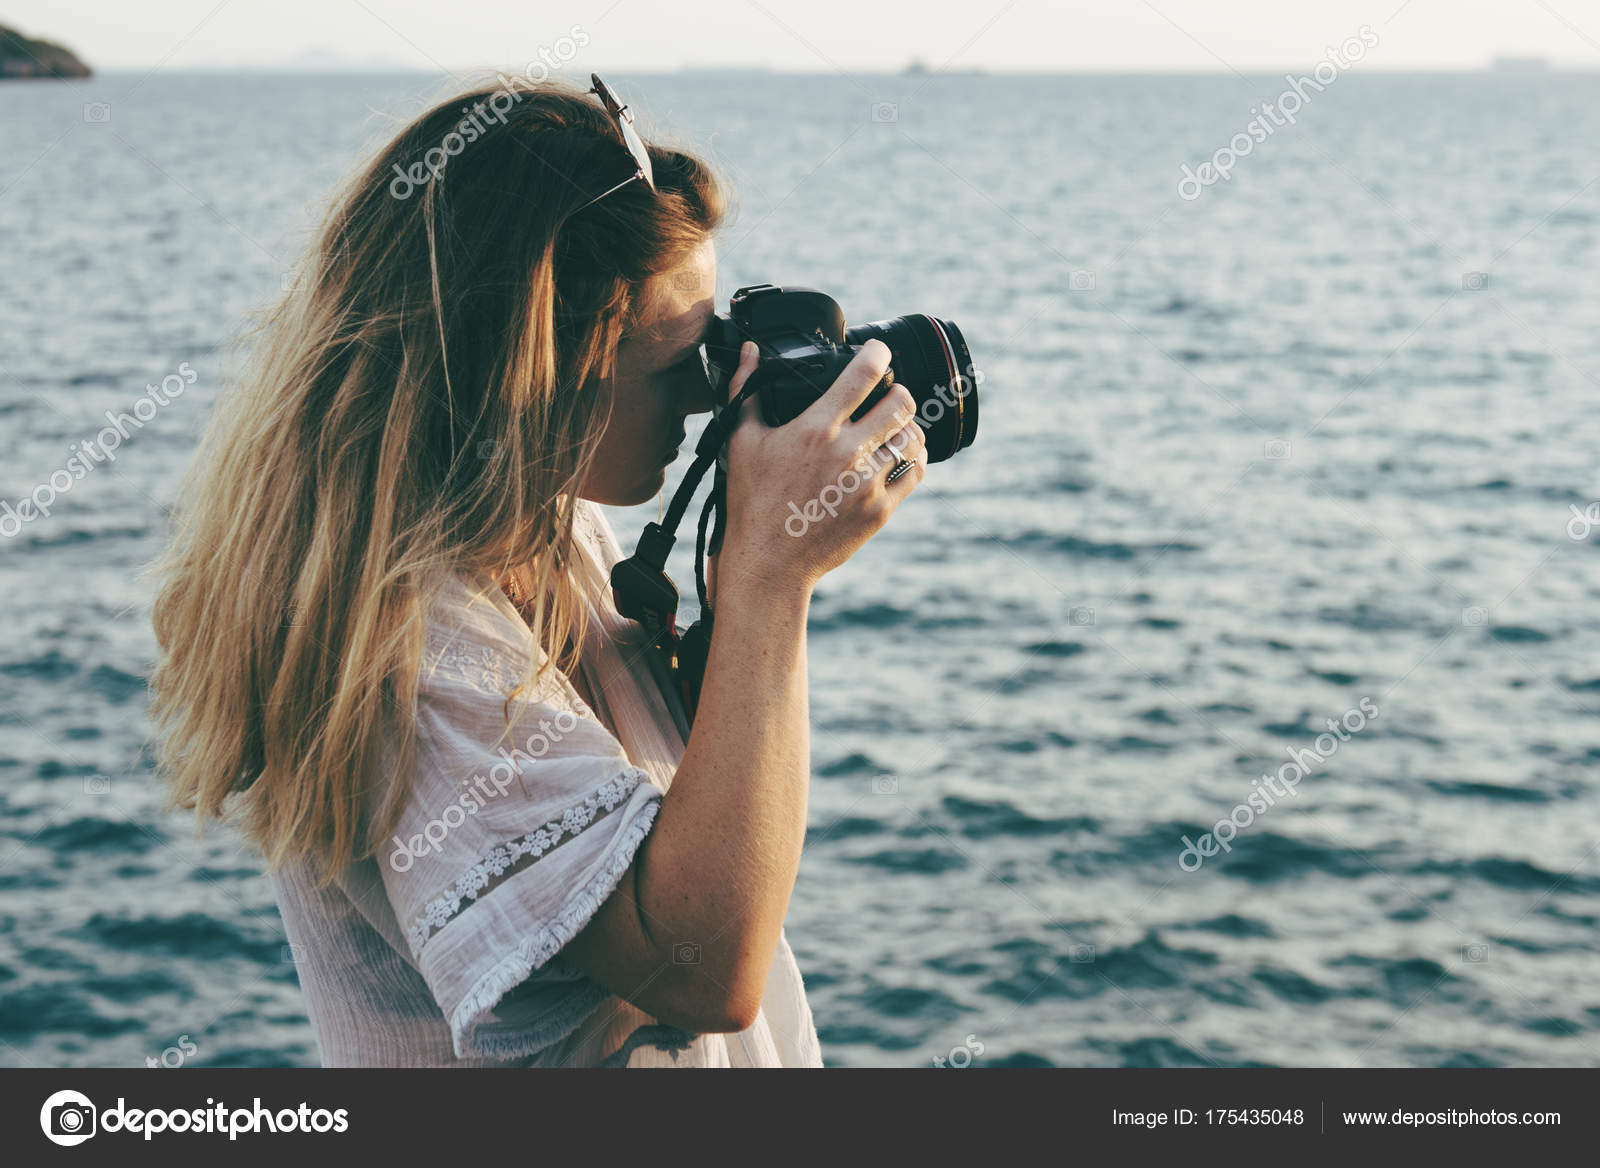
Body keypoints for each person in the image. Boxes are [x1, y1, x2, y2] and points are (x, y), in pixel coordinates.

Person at [149, 75, 926, 1067]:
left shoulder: (541, 527)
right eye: (680, 359)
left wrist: (749, 564)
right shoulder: (407, 641)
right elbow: (697, 970)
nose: (708, 393)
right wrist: (773, 581)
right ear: (536, 365)